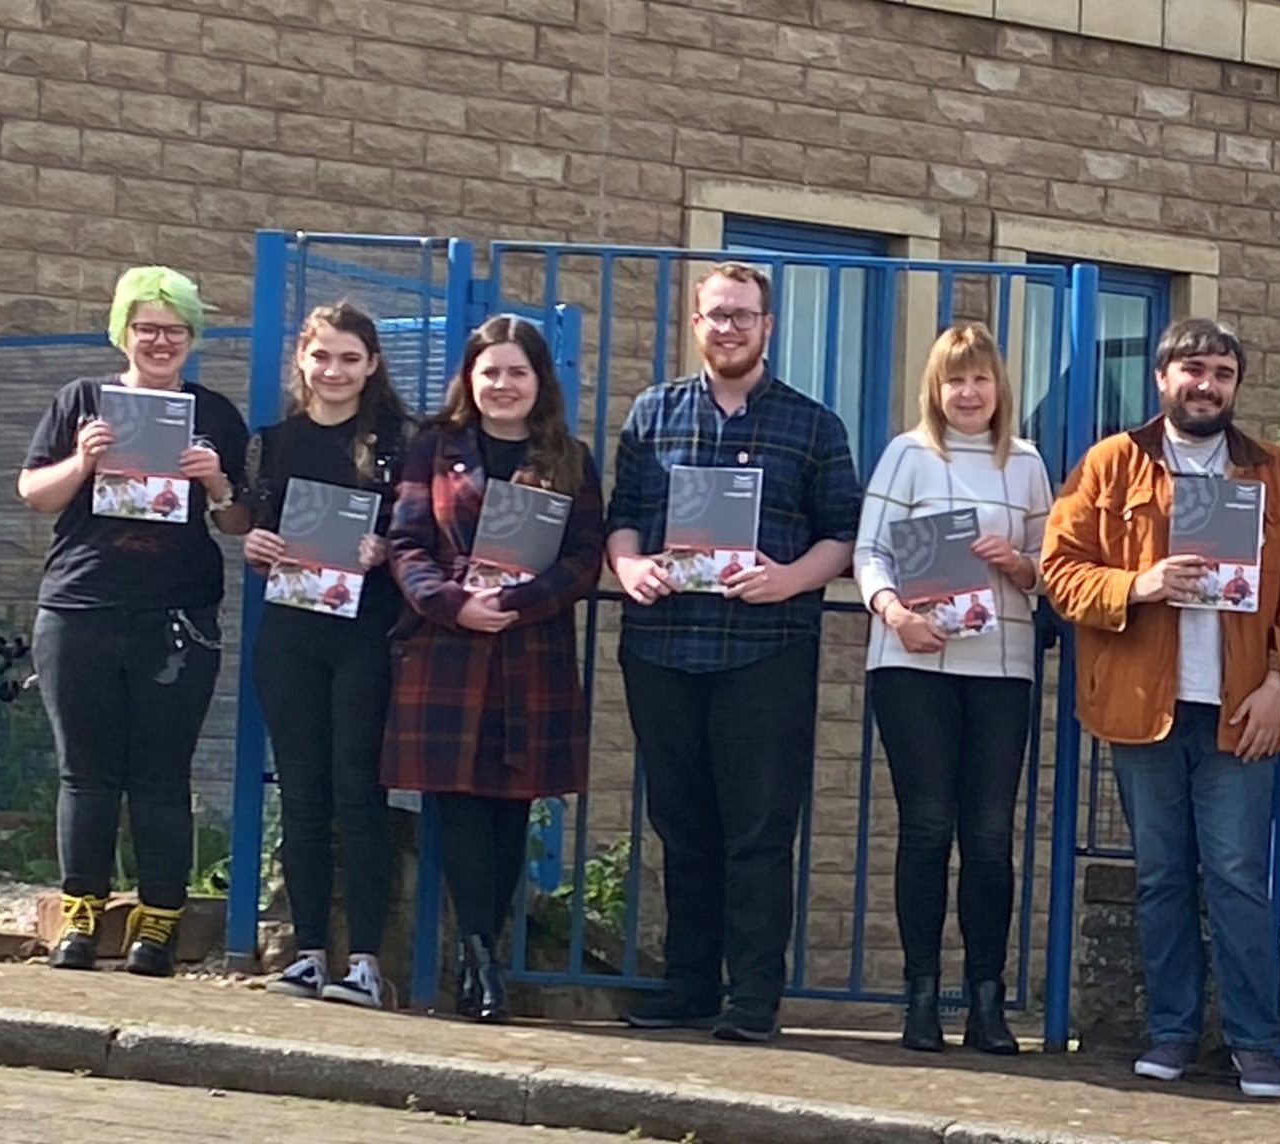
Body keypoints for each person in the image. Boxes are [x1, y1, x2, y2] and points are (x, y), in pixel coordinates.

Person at [1042, 318, 1280, 1099]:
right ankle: (1171, 1032)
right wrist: (1135, 585)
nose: (1207, 385)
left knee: (1238, 877)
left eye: (1222, 373)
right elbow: (1059, 569)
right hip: (1145, 707)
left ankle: (1254, 1043)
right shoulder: (1110, 464)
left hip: (1243, 711)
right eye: (1193, 370)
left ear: (1236, 387)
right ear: (1162, 378)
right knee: (1162, 876)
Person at [605, 263, 861, 1043]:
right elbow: (623, 516)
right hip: (664, 647)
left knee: (758, 833)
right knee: (681, 826)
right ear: (695, 323)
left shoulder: (814, 426)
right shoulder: (652, 414)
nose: (729, 328)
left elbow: (844, 534)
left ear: (767, 326)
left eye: (743, 315)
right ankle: (688, 984)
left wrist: (790, 580)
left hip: (765, 650)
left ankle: (753, 997)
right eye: (716, 315)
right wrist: (629, 568)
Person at [17, 266, 252, 977]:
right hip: (79, 607)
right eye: (146, 327)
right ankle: (80, 919)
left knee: (161, 776)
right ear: (123, 331)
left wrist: (215, 481)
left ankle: (159, 925)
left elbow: (240, 522)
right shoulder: (81, 400)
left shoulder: (215, 413)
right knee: (85, 774)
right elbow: (35, 492)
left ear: (192, 338)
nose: (160, 341)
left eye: (174, 329)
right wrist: (82, 461)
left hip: (176, 616)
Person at [381, 315, 604, 1023]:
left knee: (512, 809)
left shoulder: (569, 458)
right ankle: (479, 960)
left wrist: (517, 602)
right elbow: (406, 544)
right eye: (490, 372)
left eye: (517, 372)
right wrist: (453, 604)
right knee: (459, 806)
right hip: (448, 650)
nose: (502, 385)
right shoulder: (432, 448)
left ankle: (487, 954)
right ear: (469, 379)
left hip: (529, 651)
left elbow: (585, 557)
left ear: (540, 381)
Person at [851, 323, 1054, 1054]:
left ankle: (986, 1002)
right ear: (934, 389)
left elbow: (1050, 564)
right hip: (911, 663)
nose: (968, 393)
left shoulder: (1026, 463)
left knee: (991, 835)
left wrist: (1020, 566)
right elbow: (869, 551)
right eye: (954, 380)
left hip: (1000, 666)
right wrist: (894, 613)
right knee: (928, 826)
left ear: (1000, 387)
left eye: (980, 379)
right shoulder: (907, 455)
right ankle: (920, 998)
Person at [242, 302, 415, 1008]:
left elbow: (424, 534)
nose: (334, 371)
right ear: (301, 361)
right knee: (301, 792)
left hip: (365, 636)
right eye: (321, 357)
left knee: (359, 792)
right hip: (290, 636)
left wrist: (387, 547)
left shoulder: (402, 443)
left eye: (349, 358)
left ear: (371, 364)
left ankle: (367, 963)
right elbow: (256, 528)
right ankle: (309, 954)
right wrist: (256, 545)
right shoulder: (273, 443)